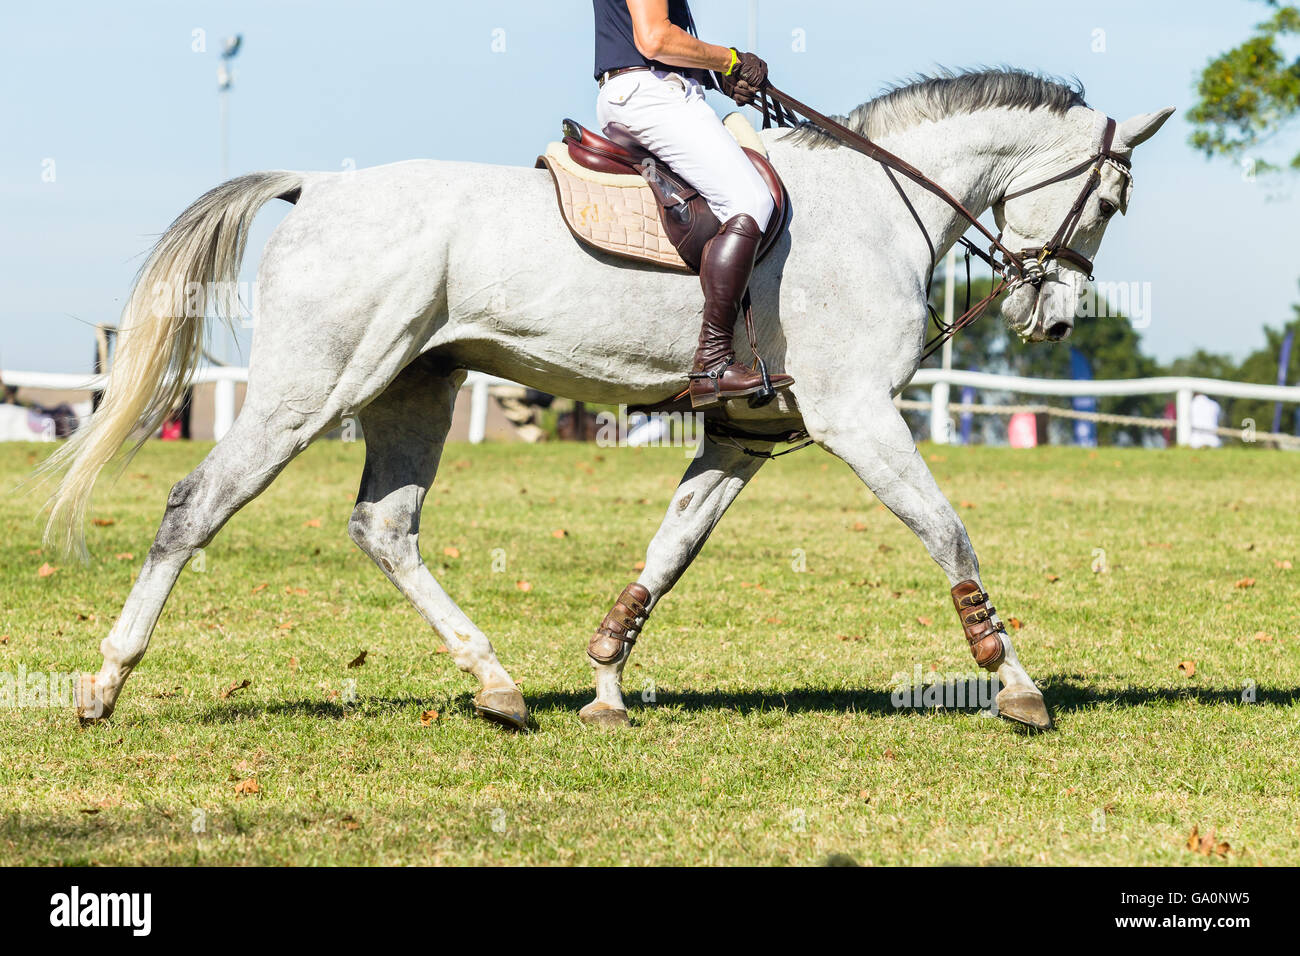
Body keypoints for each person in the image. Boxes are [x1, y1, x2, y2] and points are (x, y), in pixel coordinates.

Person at [593, 0, 793, 408]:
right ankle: (714, 361)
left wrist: (711, 74)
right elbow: (654, 38)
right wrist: (729, 60)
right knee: (750, 199)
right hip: (650, 94)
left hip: (653, 88)